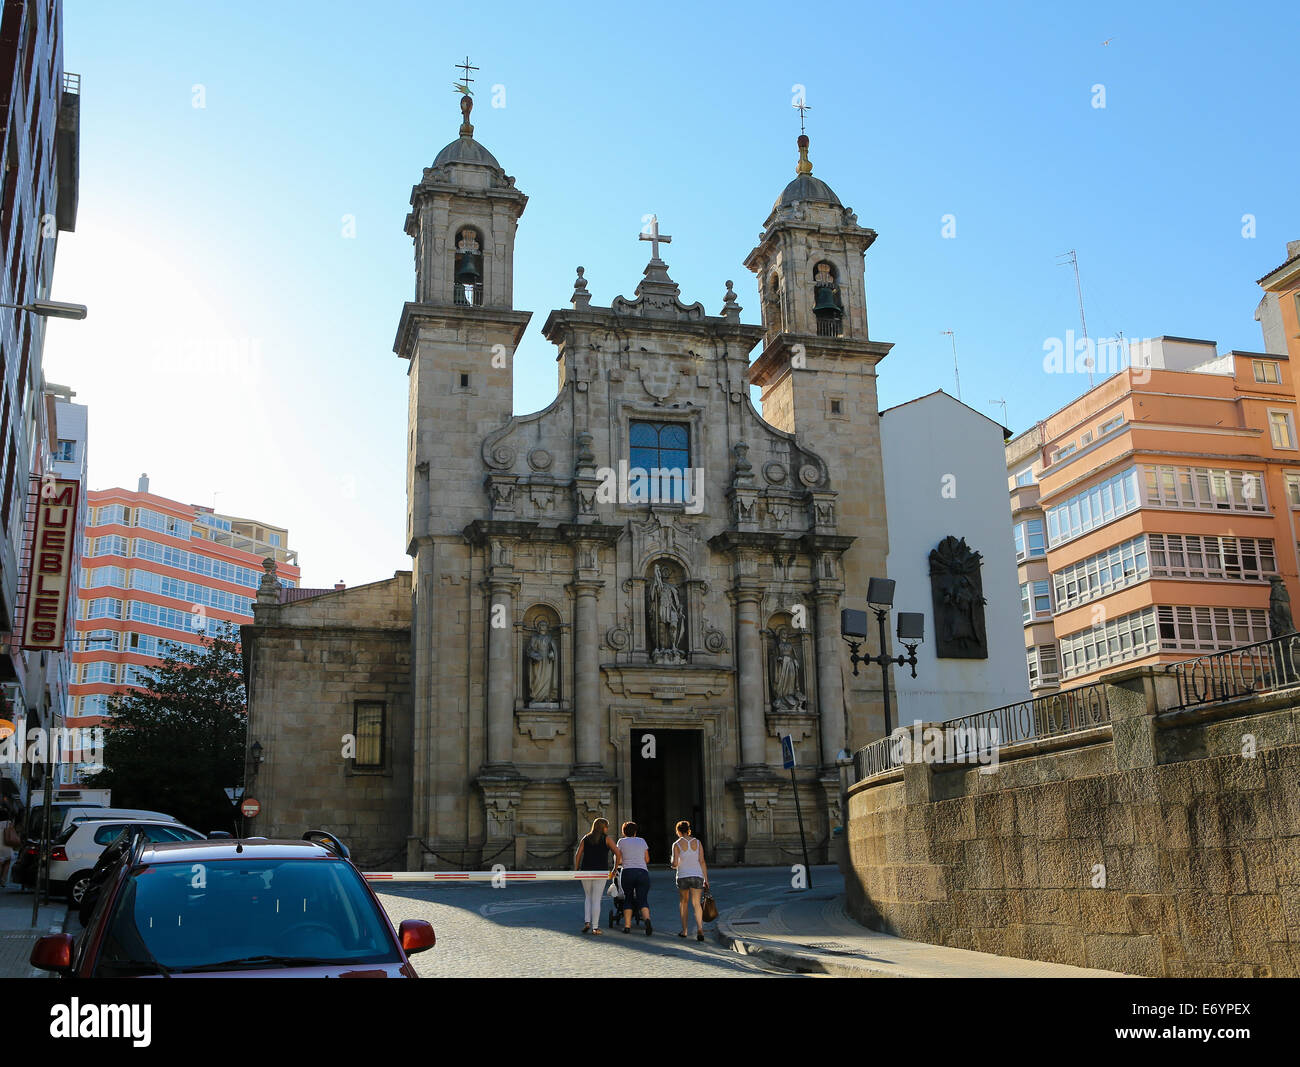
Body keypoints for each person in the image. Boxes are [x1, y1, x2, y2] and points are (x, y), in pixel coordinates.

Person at [573, 817, 620, 935]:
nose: (607, 829)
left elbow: (578, 854)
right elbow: (618, 853)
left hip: (585, 871)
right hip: (601, 871)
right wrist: (615, 868)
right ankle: (595, 927)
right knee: (596, 899)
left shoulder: (586, 838)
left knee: (588, 897)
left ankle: (587, 922)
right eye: (606, 827)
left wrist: (576, 869)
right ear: (603, 827)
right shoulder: (607, 839)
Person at [670, 819, 710, 941]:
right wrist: (706, 879)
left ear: (678, 831)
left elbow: (675, 863)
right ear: (688, 830)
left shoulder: (676, 844)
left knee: (684, 903)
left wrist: (672, 863)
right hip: (697, 875)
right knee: (696, 903)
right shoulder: (697, 843)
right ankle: (700, 930)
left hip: (682, 876)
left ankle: (685, 930)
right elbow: (702, 861)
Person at [615, 821, 652, 936]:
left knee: (628, 898)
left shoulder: (621, 842)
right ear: (635, 832)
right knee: (643, 899)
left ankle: (627, 926)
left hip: (628, 872)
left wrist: (617, 867)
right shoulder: (642, 841)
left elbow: (619, 860)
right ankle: (647, 920)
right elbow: (647, 860)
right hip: (642, 872)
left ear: (623, 832)